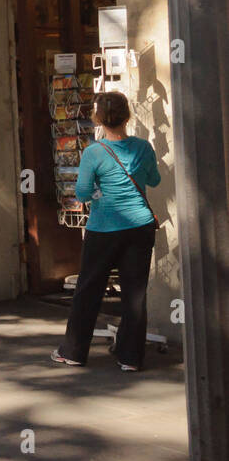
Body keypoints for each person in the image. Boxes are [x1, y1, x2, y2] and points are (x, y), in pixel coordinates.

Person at [53, 92, 161, 371]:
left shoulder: (94, 152)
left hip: (104, 229)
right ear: (128, 116)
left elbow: (83, 193)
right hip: (140, 226)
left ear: (98, 118)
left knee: (88, 289)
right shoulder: (143, 147)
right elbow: (154, 180)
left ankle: (74, 352)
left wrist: (101, 191)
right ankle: (130, 357)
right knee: (135, 293)